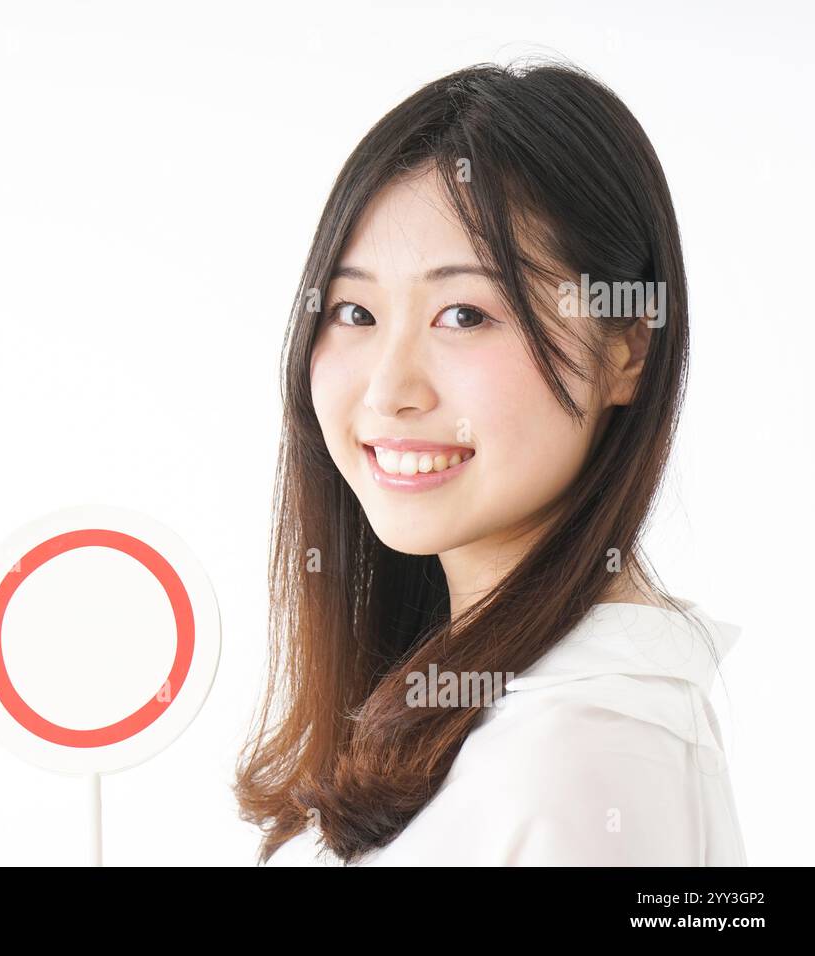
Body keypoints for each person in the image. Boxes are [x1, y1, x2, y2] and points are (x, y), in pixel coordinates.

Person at [233, 59, 747, 866]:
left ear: (625, 350)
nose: (390, 388)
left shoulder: (581, 757)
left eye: (465, 313)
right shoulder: (503, 709)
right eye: (356, 310)